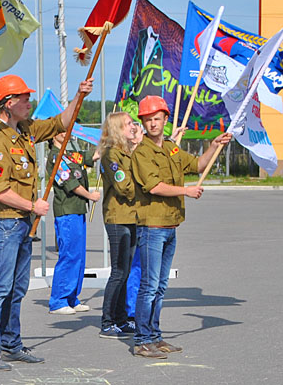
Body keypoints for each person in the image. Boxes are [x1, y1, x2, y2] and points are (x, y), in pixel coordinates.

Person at [0, 74, 94, 371]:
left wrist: (79, 95)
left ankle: (11, 343)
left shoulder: (25, 130)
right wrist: (33, 205)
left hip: (24, 223)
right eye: (25, 98)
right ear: (8, 103)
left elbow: (60, 123)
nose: (30, 103)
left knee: (17, 289)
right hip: (7, 223)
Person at [130, 95, 231, 359]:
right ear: (143, 122)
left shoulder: (171, 148)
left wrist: (213, 146)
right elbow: (153, 186)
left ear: (165, 119)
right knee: (149, 285)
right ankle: (141, 340)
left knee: (161, 286)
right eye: (148, 119)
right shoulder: (142, 152)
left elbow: (197, 165)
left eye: (157, 118)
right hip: (152, 226)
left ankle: (155, 335)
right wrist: (186, 191)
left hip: (170, 225)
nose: (153, 123)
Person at [46, 132, 100, 314]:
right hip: (67, 211)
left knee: (78, 256)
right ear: (53, 136)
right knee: (69, 254)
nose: (66, 133)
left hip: (77, 210)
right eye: (61, 130)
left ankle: (72, 297)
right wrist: (90, 195)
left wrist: (108, 137)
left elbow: (93, 156)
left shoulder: (70, 153)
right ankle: (58, 300)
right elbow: (71, 183)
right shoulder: (56, 157)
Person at [97, 111, 140, 338]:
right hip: (117, 218)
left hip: (131, 216)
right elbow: (125, 187)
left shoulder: (128, 152)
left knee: (126, 271)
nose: (133, 127)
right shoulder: (111, 154)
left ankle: (122, 319)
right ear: (117, 129)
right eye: (128, 124)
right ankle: (107, 321)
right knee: (118, 271)